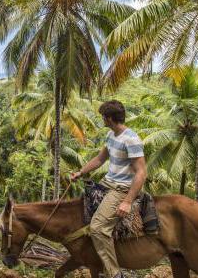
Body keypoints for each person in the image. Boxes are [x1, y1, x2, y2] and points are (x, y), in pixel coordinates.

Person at [71, 100, 147, 278]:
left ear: (110, 118)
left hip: (121, 189)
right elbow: (99, 159)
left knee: (97, 228)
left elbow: (141, 172)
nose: (102, 120)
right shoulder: (112, 136)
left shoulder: (131, 139)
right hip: (107, 183)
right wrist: (80, 172)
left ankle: (115, 274)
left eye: (103, 117)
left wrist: (127, 201)